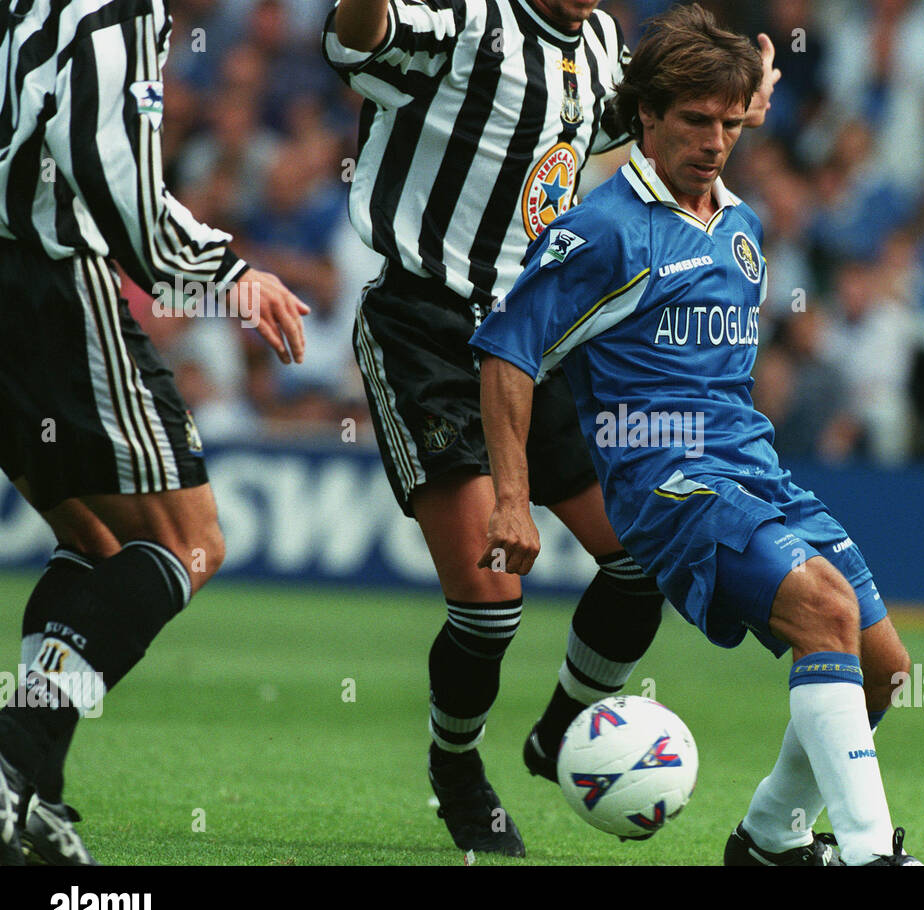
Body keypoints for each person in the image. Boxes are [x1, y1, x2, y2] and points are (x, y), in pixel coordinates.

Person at [323, 0, 777, 857]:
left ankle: (560, 733)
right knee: (492, 599)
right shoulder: (462, 22)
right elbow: (362, 37)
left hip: (551, 333)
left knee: (644, 555)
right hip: (430, 331)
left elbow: (649, 111)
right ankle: (456, 770)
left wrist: (737, 102)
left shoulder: (602, 43)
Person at [471, 3, 921, 866]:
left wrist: (747, 91)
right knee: (824, 613)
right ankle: (871, 856)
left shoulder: (737, 223)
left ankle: (767, 840)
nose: (715, 140)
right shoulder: (600, 231)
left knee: (883, 668)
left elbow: (718, 119)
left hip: (754, 470)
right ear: (646, 116)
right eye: (695, 121)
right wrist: (512, 500)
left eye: (730, 121)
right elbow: (506, 353)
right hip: (668, 485)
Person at [0, 0, 309, 865]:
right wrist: (229, 273)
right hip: (51, 281)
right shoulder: (113, 15)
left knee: (95, 543)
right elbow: (116, 191)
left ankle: (31, 795)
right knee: (192, 543)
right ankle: (11, 752)